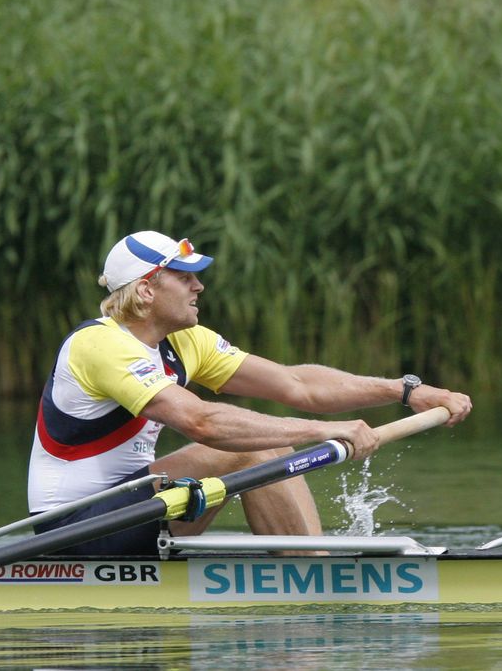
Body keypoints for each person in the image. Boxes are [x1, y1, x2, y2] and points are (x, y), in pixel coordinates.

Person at [28, 231, 472, 555]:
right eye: (184, 277)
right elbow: (202, 423)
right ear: (146, 289)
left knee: (269, 444)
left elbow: (298, 384)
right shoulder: (98, 344)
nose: (199, 286)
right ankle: (311, 575)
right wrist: (325, 431)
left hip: (136, 506)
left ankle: (308, 563)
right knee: (252, 451)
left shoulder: (187, 341)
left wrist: (405, 390)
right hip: (71, 530)